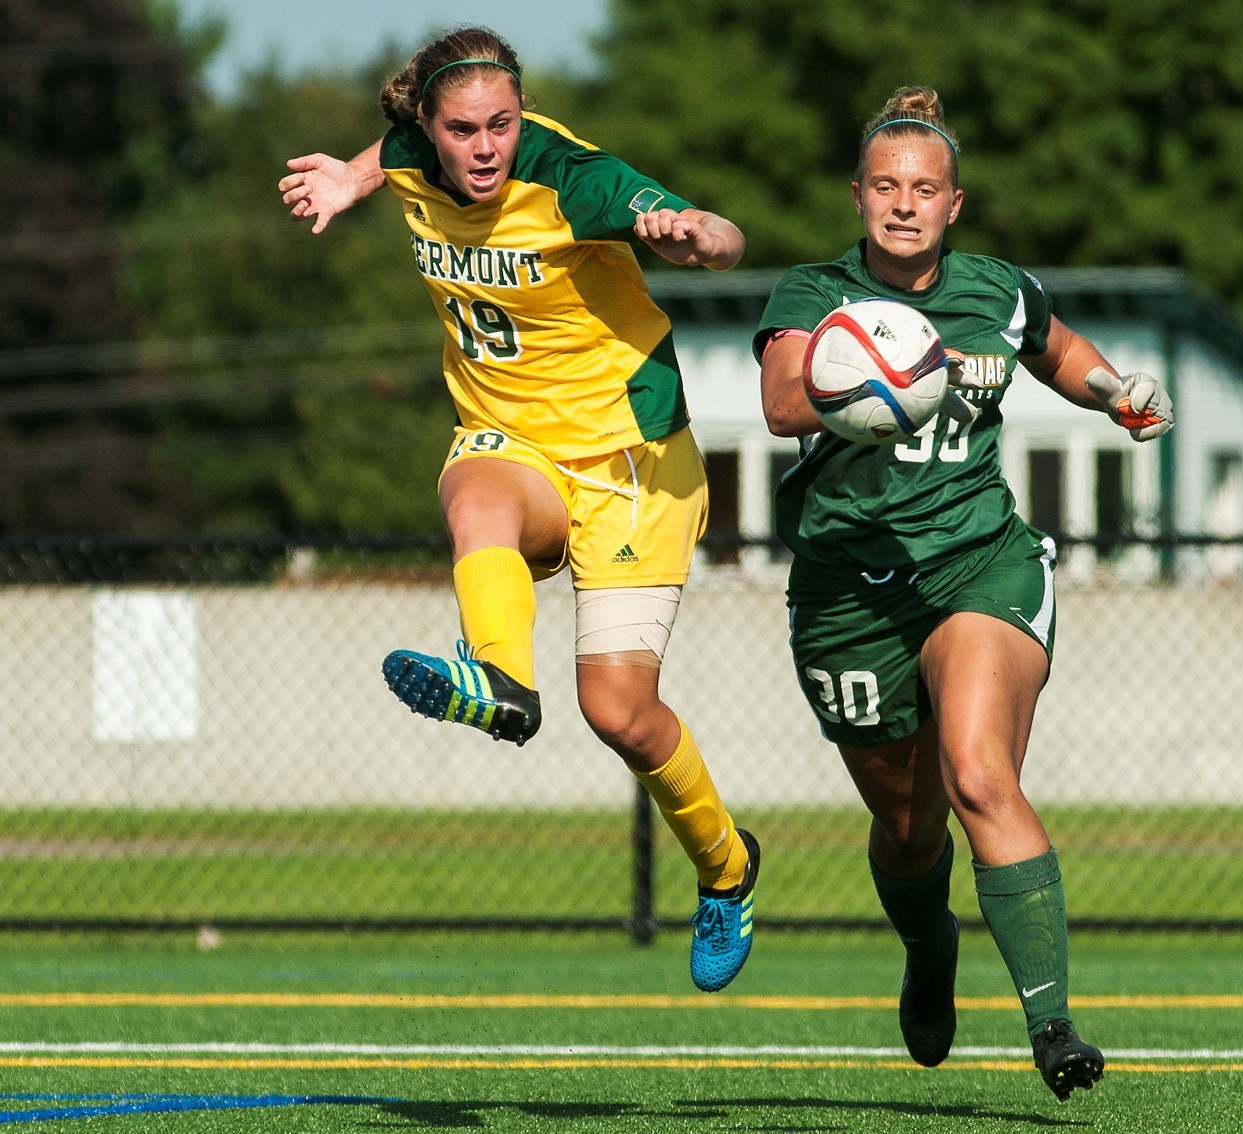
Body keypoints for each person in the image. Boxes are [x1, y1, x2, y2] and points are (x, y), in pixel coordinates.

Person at [277, 26, 758, 993]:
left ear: (521, 117)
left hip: (632, 459)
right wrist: (349, 181)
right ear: (430, 126)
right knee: (472, 495)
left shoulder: (571, 178)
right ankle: (497, 679)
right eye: (464, 130)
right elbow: (389, 156)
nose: (485, 146)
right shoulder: (415, 153)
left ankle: (728, 867)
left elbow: (722, 236)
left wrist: (699, 235)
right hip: (515, 444)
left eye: (502, 123)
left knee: (619, 713)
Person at [753, 86, 1173, 1100]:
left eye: (924, 189)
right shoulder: (814, 294)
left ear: (954, 205)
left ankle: (1053, 1026)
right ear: (857, 195)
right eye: (886, 186)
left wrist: (1114, 390)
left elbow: (1058, 352)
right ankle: (928, 945)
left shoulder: (996, 289)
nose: (904, 204)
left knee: (978, 775)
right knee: (907, 828)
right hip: (848, 592)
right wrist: (863, 385)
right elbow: (776, 403)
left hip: (976, 561)